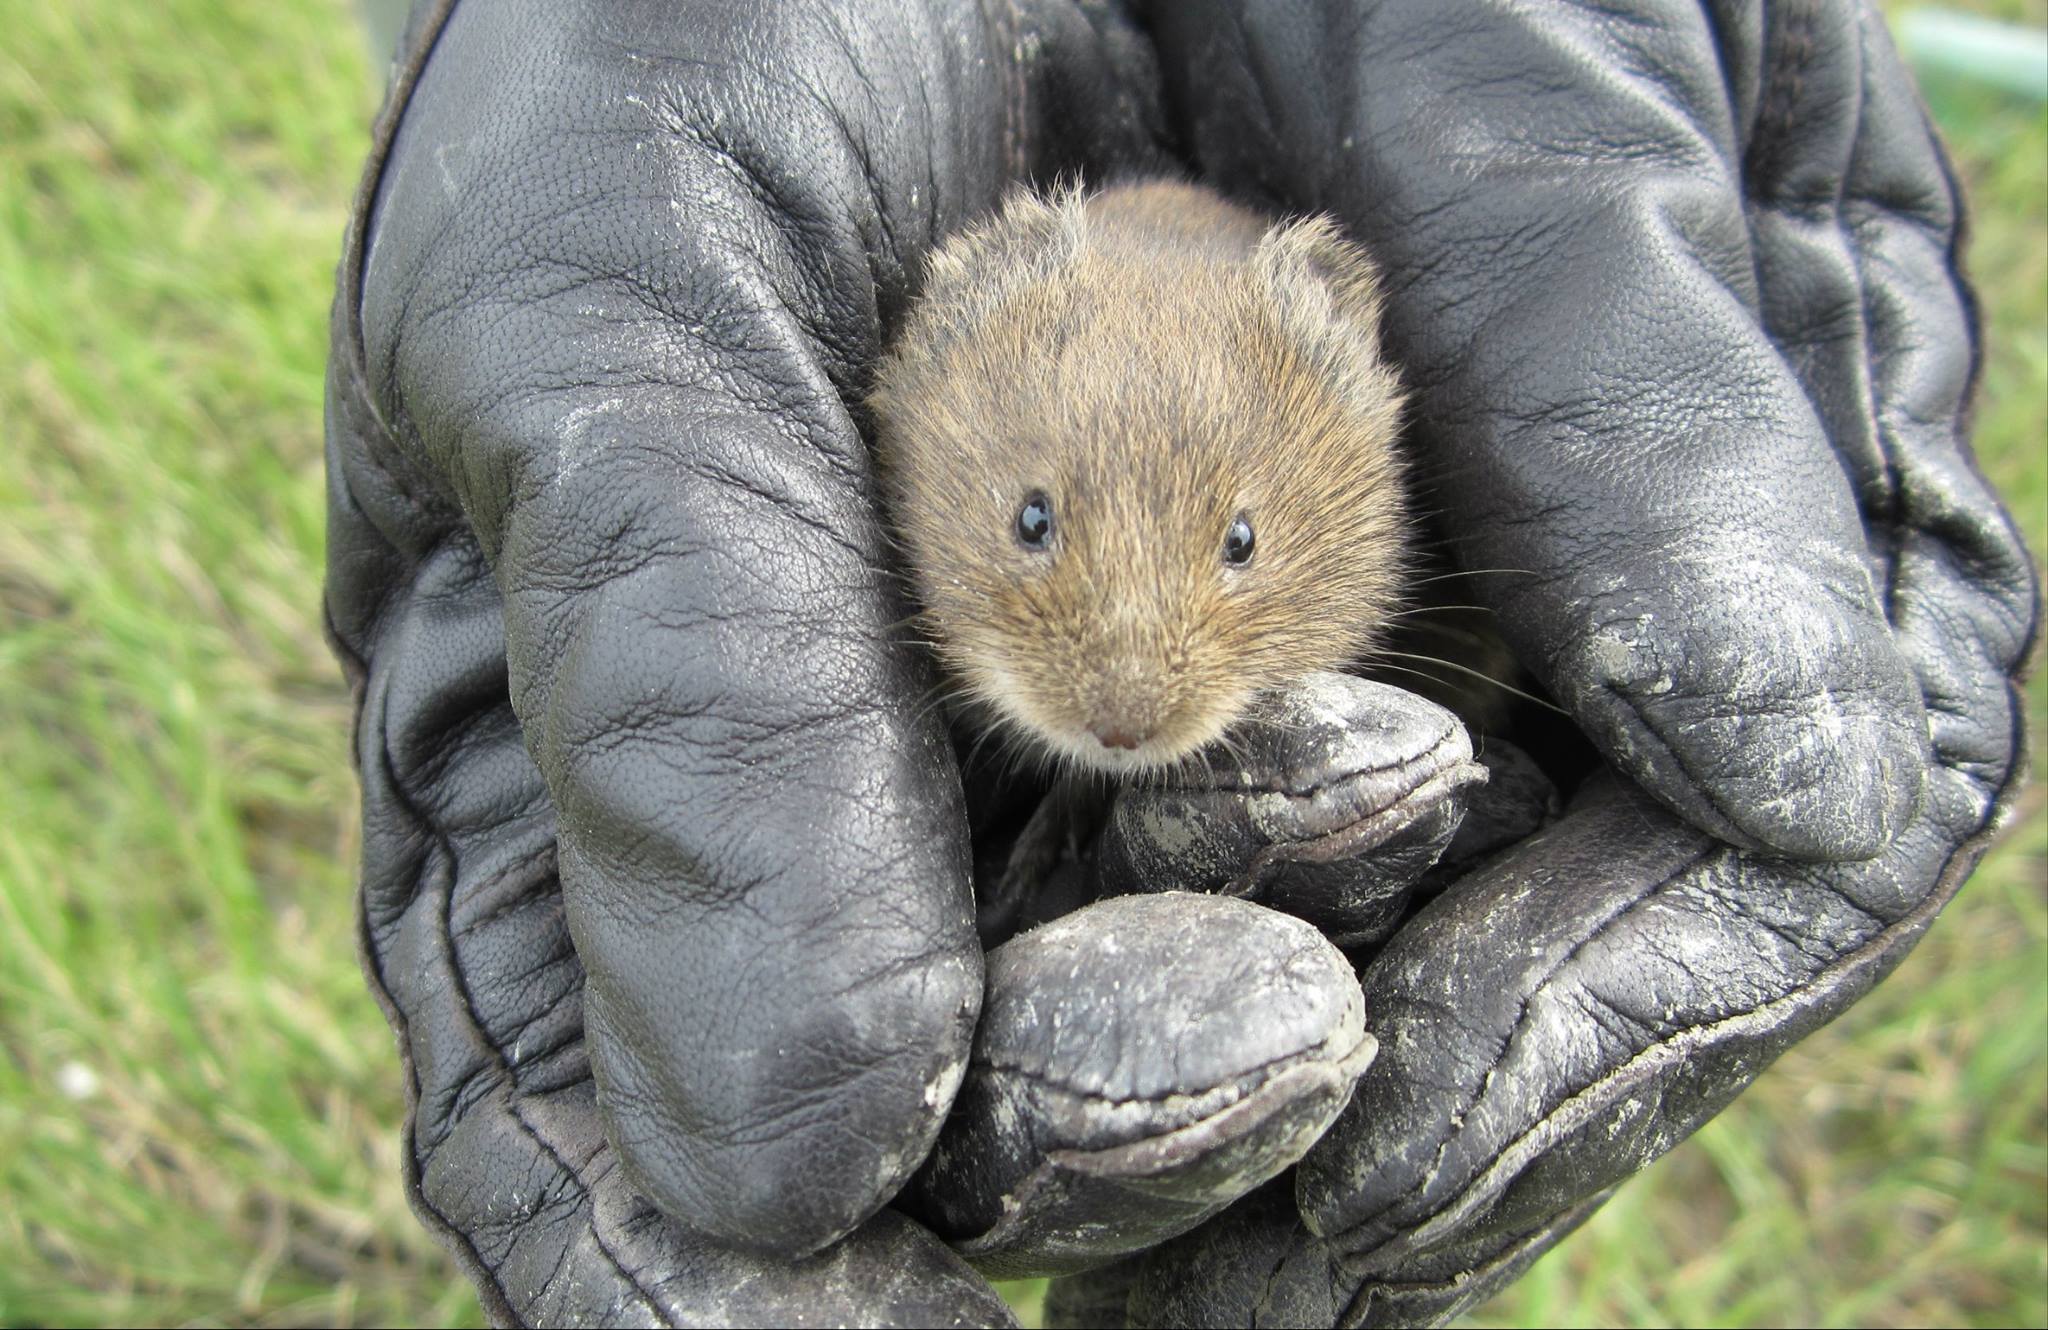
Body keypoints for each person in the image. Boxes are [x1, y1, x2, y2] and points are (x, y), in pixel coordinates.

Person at [324, 1, 2037, 1324]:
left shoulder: (1357, 407)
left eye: (1234, 553)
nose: (1129, 678)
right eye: (1039, 530)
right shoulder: (965, 344)